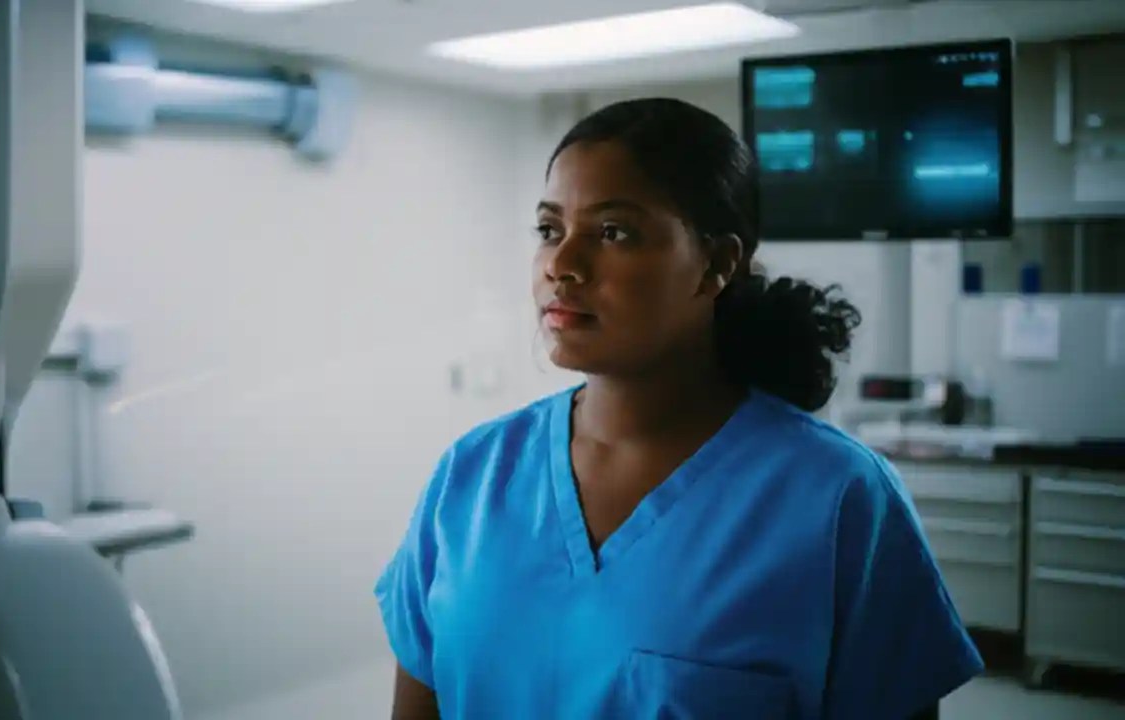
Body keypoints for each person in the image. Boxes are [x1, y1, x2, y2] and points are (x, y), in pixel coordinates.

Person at [375, 98, 982, 719]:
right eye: (550, 230)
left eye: (614, 232)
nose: (561, 265)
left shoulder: (838, 498)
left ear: (716, 264)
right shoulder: (472, 477)